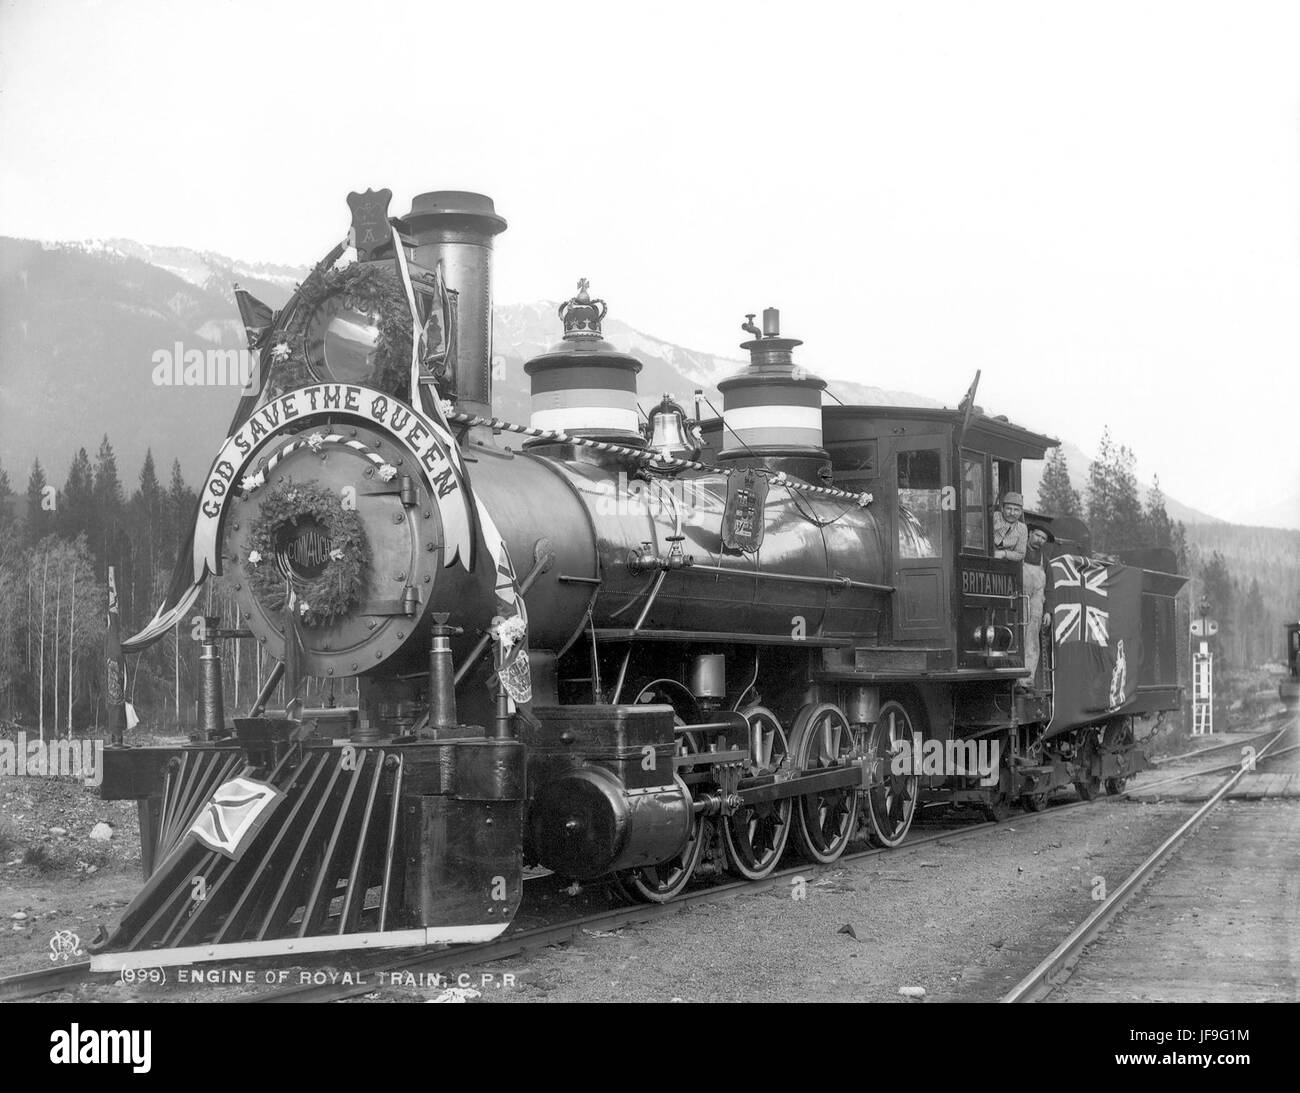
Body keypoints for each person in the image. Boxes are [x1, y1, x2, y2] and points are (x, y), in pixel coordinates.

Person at [1022, 523, 1052, 685]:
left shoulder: (1045, 562)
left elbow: (1050, 589)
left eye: (1043, 539)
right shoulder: (1018, 553)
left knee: (1032, 643)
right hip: (1018, 601)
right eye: (1038, 536)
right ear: (1030, 533)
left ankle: (1027, 681)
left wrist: (1048, 611)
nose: (1040, 540)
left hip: (1036, 608)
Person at [993, 492, 1027, 561]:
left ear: (1021, 512)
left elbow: (1020, 554)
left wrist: (1004, 554)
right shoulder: (994, 517)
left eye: (1016, 510)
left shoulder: (1022, 528)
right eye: (1009, 509)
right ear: (1002, 509)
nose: (1012, 513)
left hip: (1005, 564)